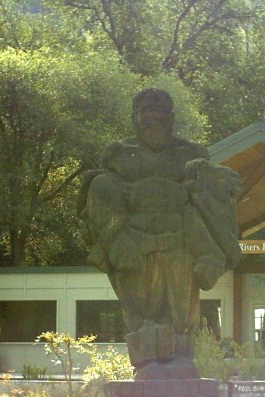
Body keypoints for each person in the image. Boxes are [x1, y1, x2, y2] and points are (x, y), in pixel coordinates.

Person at [79, 88, 241, 380]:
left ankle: (181, 361)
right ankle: (146, 364)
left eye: (160, 115)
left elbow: (221, 189)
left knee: (181, 310)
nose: (153, 121)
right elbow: (100, 193)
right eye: (146, 115)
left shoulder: (190, 153)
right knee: (141, 310)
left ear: (172, 118)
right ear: (134, 118)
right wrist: (115, 241)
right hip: (133, 245)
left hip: (180, 242)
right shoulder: (120, 154)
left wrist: (206, 178)